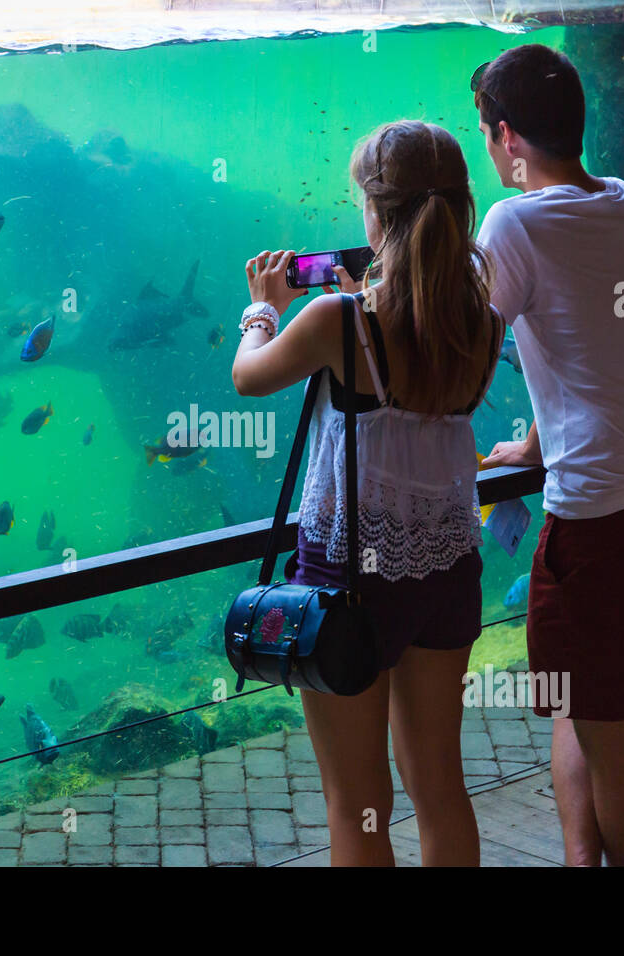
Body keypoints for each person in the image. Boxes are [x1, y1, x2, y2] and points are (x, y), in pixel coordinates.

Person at [231, 121, 504, 866]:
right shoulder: (477, 320)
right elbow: (409, 364)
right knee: (438, 783)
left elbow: (248, 376)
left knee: (359, 806)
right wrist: (367, 296)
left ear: (377, 215)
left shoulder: (335, 321)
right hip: (448, 568)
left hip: (351, 576)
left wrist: (263, 306)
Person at [474, 44, 624, 866]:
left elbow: (467, 350)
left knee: (611, 738)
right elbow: (603, 347)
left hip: (605, 530)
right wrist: (535, 442)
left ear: (507, 137)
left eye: (487, 137)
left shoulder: (511, 222)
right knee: (582, 704)